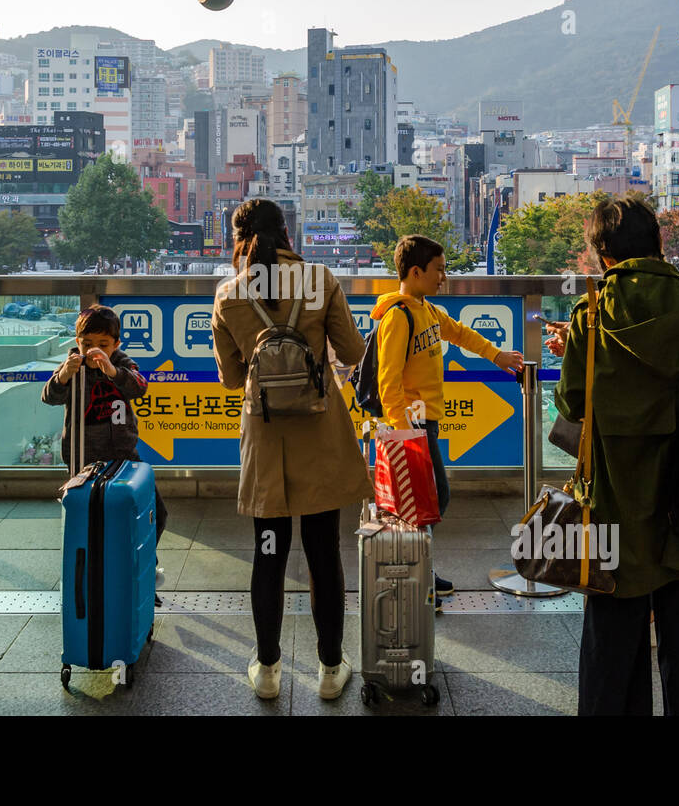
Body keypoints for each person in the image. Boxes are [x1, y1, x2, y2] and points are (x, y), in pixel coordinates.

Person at [553, 196, 679, 716]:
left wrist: (580, 352)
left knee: (610, 658)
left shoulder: (592, 312)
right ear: (658, 244)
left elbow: (573, 403)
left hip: (616, 511)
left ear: (602, 255)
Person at [211, 198, 369, 701]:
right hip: (320, 435)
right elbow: (353, 353)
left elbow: (234, 377)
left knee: (269, 553)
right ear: (287, 232)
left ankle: (269, 671)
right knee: (324, 553)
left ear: (239, 238)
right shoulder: (321, 280)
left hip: (266, 438)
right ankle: (329, 669)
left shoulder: (230, 293)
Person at [370, 235, 524, 609]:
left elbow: (460, 333)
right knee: (433, 497)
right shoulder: (398, 316)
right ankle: (414, 571)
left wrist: (496, 355)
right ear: (415, 271)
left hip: (425, 423)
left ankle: (417, 571)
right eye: (438, 270)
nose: (444, 277)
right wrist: (402, 431)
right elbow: (387, 380)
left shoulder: (428, 311)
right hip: (412, 426)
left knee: (428, 500)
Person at [41, 305, 169, 604]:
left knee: (156, 514)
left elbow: (139, 387)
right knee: (89, 522)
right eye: (87, 345)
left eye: (103, 345)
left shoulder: (122, 363)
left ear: (116, 345)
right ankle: (91, 581)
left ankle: (141, 571)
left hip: (124, 456)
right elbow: (48, 396)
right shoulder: (73, 365)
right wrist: (63, 376)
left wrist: (112, 370)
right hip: (83, 458)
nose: (94, 351)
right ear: (76, 341)